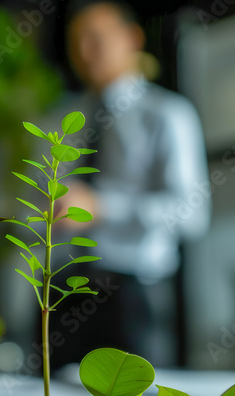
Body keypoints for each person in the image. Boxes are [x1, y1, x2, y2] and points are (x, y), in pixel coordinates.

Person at [47, 0, 210, 368]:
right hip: (63, 289)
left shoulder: (167, 115)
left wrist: (104, 207)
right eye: (76, 43)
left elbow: (192, 212)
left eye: (96, 38)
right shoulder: (63, 120)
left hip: (133, 293)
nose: (85, 53)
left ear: (131, 38)